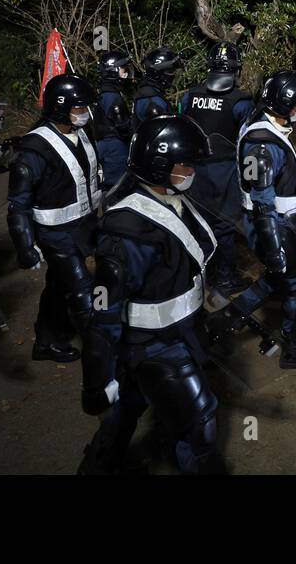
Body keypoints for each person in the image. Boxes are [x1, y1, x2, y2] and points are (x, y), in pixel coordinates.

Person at [77, 116, 224, 475]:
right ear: (159, 167)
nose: (191, 172)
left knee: (127, 409)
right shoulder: (128, 232)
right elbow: (103, 316)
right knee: (199, 423)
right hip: (154, 344)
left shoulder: (172, 199)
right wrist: (96, 383)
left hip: (178, 333)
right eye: (184, 165)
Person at [213, 70, 296, 368]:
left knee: (278, 277)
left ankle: (231, 315)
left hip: (268, 222)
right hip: (270, 225)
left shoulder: (256, 123)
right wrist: (275, 245)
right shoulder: (264, 147)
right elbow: (263, 201)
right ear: (285, 105)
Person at [7, 73, 104, 363]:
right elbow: (18, 204)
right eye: (79, 108)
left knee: (58, 286)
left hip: (83, 227)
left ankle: (46, 340)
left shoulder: (81, 134)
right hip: (56, 234)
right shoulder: (35, 149)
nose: (85, 113)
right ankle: (106, 357)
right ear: (61, 108)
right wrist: (25, 245)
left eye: (86, 107)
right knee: (83, 291)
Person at [178, 41, 253, 295]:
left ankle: (199, 274)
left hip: (193, 169)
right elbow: (247, 141)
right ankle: (224, 278)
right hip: (225, 170)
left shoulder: (190, 96)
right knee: (224, 225)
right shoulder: (241, 101)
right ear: (236, 69)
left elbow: (182, 127)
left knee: (197, 222)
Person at [95, 50, 136, 188]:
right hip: (115, 147)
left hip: (107, 144)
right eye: (124, 69)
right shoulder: (112, 96)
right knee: (118, 186)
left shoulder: (105, 93)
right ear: (113, 71)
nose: (126, 73)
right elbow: (124, 126)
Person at [133, 47, 182, 125]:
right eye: (171, 71)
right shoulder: (152, 100)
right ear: (158, 73)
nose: (173, 75)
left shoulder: (147, 91)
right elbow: (160, 129)